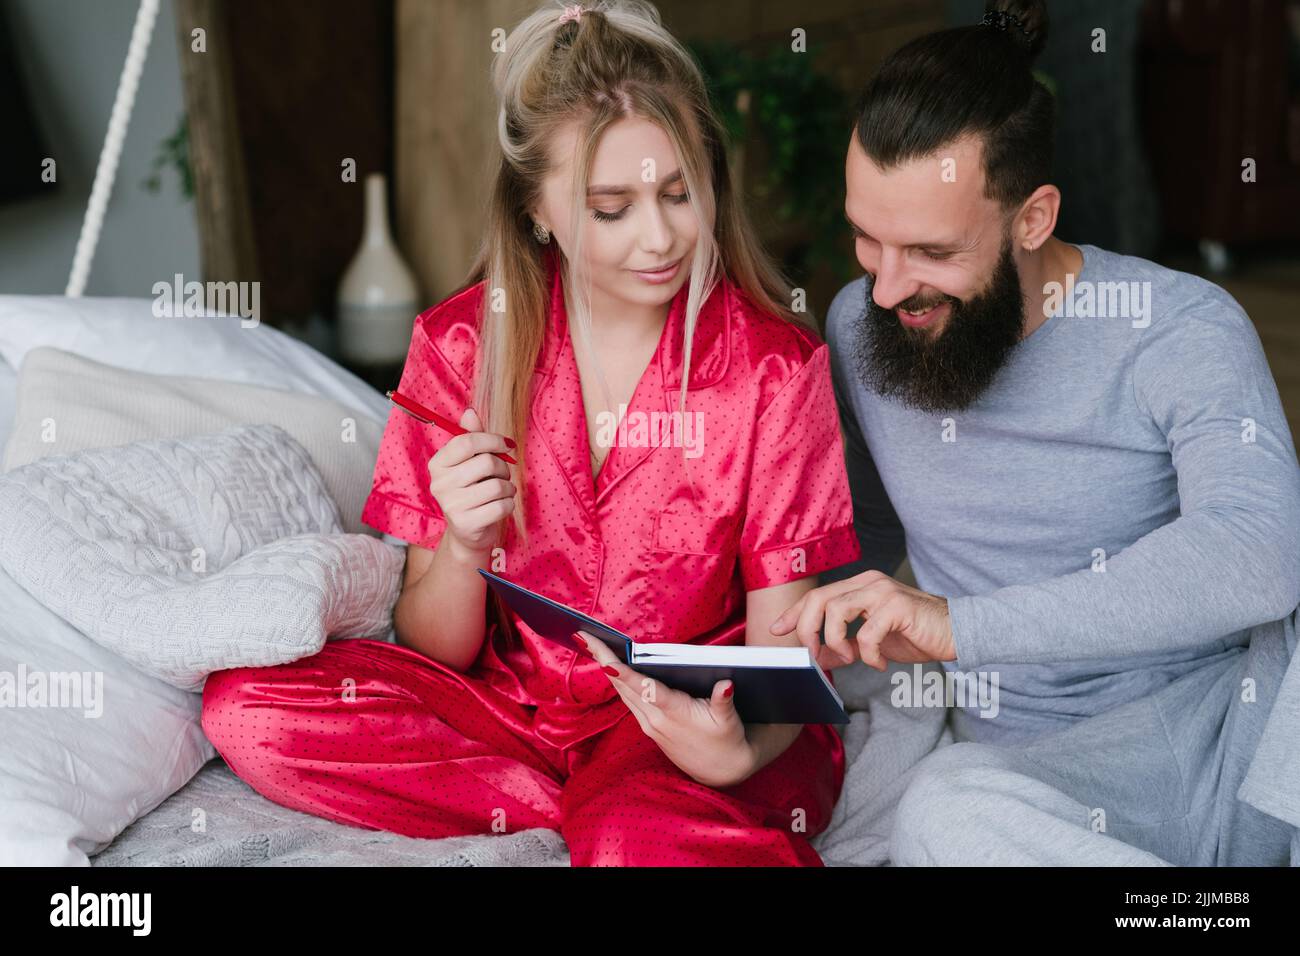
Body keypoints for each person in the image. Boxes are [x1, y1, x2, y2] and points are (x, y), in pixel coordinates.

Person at [200, 0, 863, 867]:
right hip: (511, 711)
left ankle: (628, 821)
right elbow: (437, 644)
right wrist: (466, 548)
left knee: (633, 832)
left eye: (678, 193)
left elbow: (785, 658)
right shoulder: (459, 345)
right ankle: (594, 815)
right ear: (538, 209)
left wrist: (738, 752)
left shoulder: (777, 370)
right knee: (246, 708)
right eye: (612, 207)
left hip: (702, 720)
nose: (660, 237)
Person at [776, 0, 1300, 864]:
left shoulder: (1179, 327)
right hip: (1036, 779)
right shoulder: (859, 326)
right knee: (938, 814)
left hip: (1226, 747)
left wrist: (966, 626)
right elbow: (856, 545)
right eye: (867, 239)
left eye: (931, 253)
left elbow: (1256, 553)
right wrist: (741, 653)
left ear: (1034, 218)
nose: (885, 287)